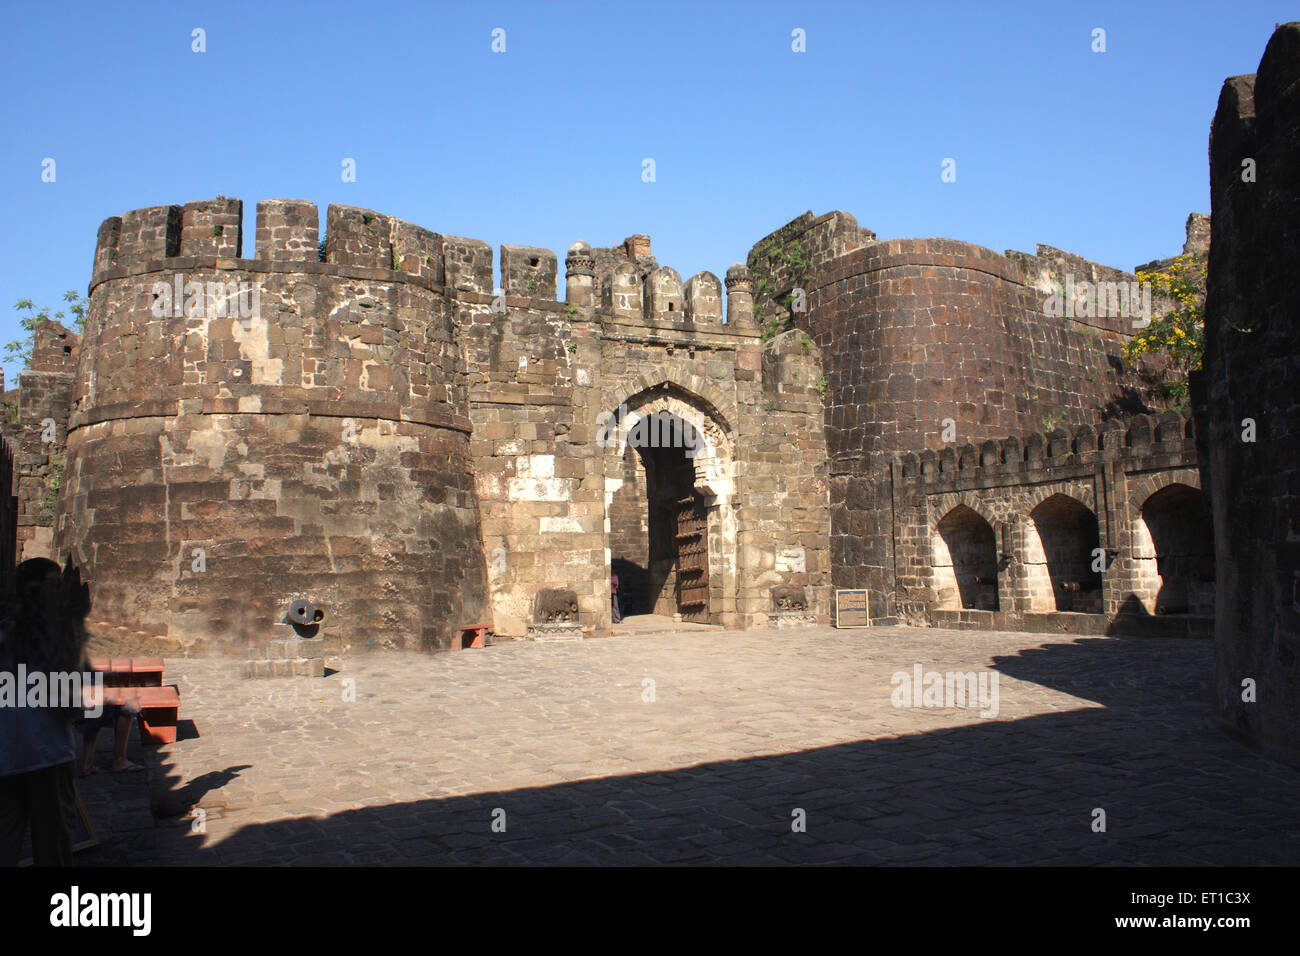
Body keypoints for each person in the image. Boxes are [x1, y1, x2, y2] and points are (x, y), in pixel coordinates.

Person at [0, 557, 92, 867]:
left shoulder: (5, 636)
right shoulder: (55, 642)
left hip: (6, 756)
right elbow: (71, 707)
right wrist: (76, 626)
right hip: (47, 756)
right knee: (52, 849)